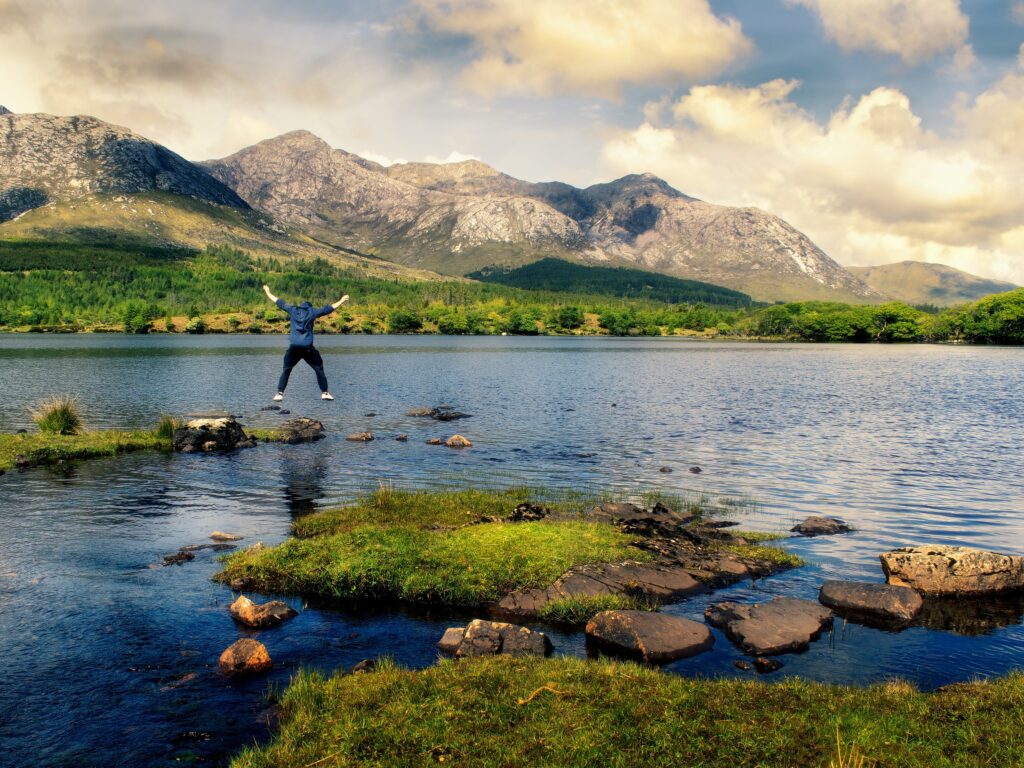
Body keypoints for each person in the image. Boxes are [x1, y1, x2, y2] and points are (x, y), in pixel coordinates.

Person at [263, 284, 348, 401]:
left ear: (301, 306)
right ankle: (325, 392)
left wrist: (267, 291)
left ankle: (279, 393)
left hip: (294, 347)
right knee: (319, 368)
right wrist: (341, 300)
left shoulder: (293, 310)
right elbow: (328, 309)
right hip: (307, 347)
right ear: (309, 307)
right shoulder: (312, 312)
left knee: (286, 370)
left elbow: (279, 302)